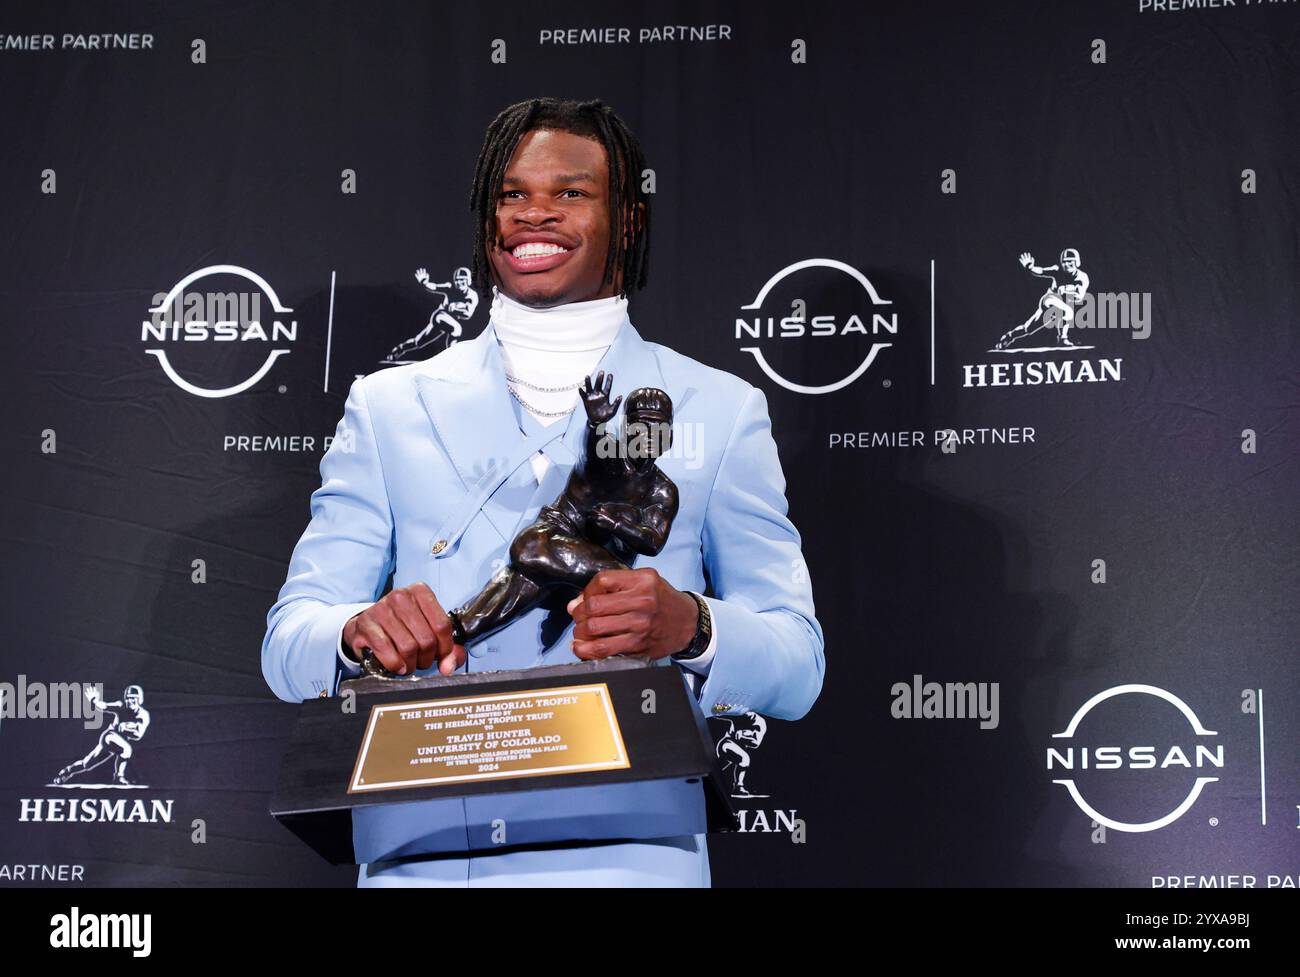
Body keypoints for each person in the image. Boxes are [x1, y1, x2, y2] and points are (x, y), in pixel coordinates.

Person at [262, 97, 825, 887]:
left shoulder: (718, 408)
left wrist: (690, 624)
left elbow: (797, 664)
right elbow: (289, 645)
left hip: (632, 858)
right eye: (511, 193)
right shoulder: (388, 404)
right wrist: (358, 629)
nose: (535, 214)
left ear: (627, 220)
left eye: (570, 193)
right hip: (424, 856)